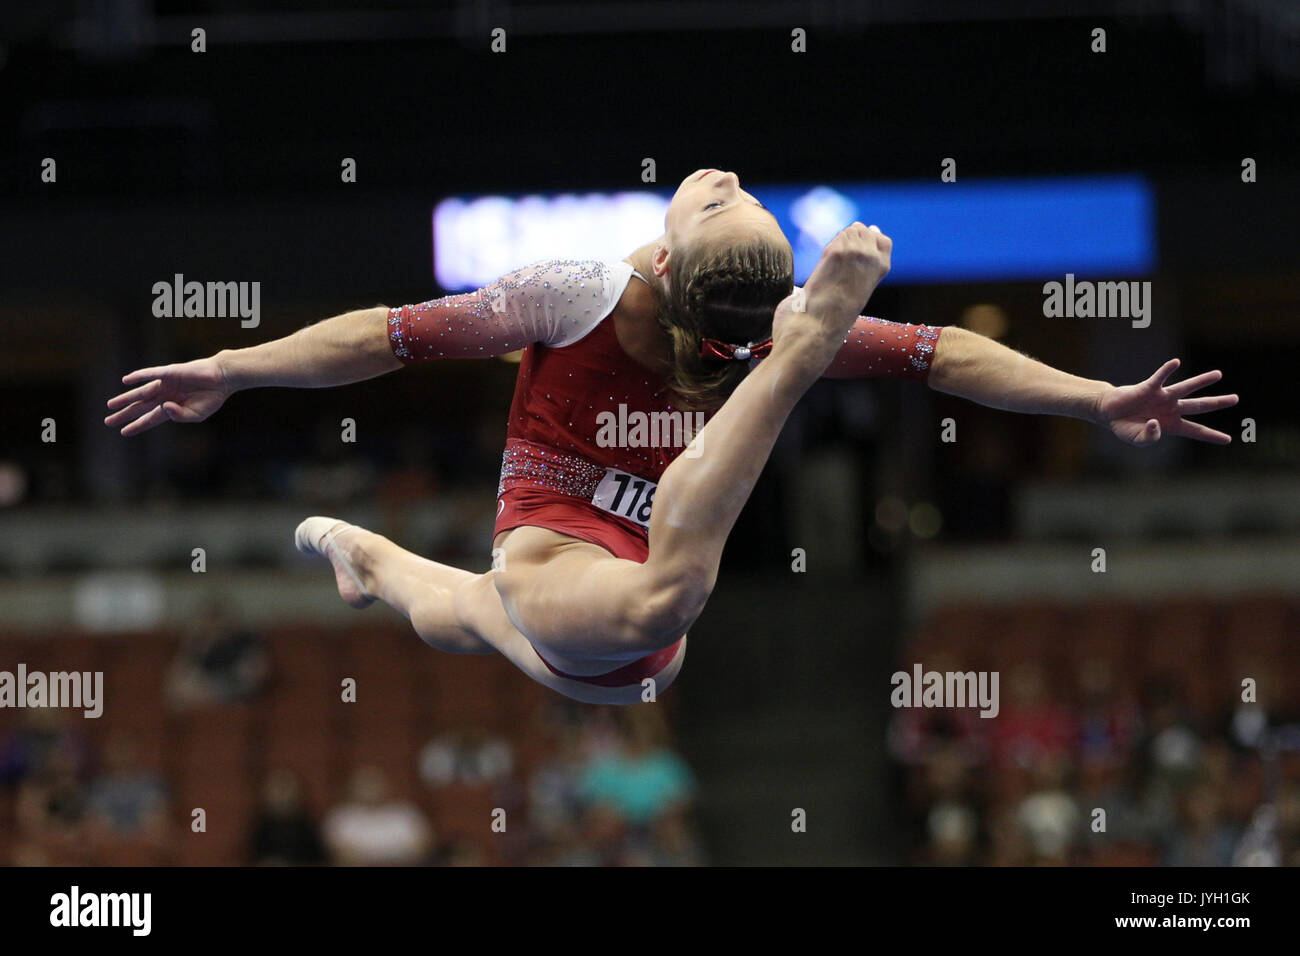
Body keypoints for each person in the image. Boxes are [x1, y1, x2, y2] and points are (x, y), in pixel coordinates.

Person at [106, 169, 1238, 705]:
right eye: (728, 190)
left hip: (630, 627)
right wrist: (233, 366)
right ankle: (394, 568)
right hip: (570, 568)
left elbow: (950, 355)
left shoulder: (661, 298)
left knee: (480, 617)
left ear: (664, 258)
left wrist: (1095, 399)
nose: (723, 175)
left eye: (717, 199)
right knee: (626, 603)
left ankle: (376, 559)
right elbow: (388, 337)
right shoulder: (578, 297)